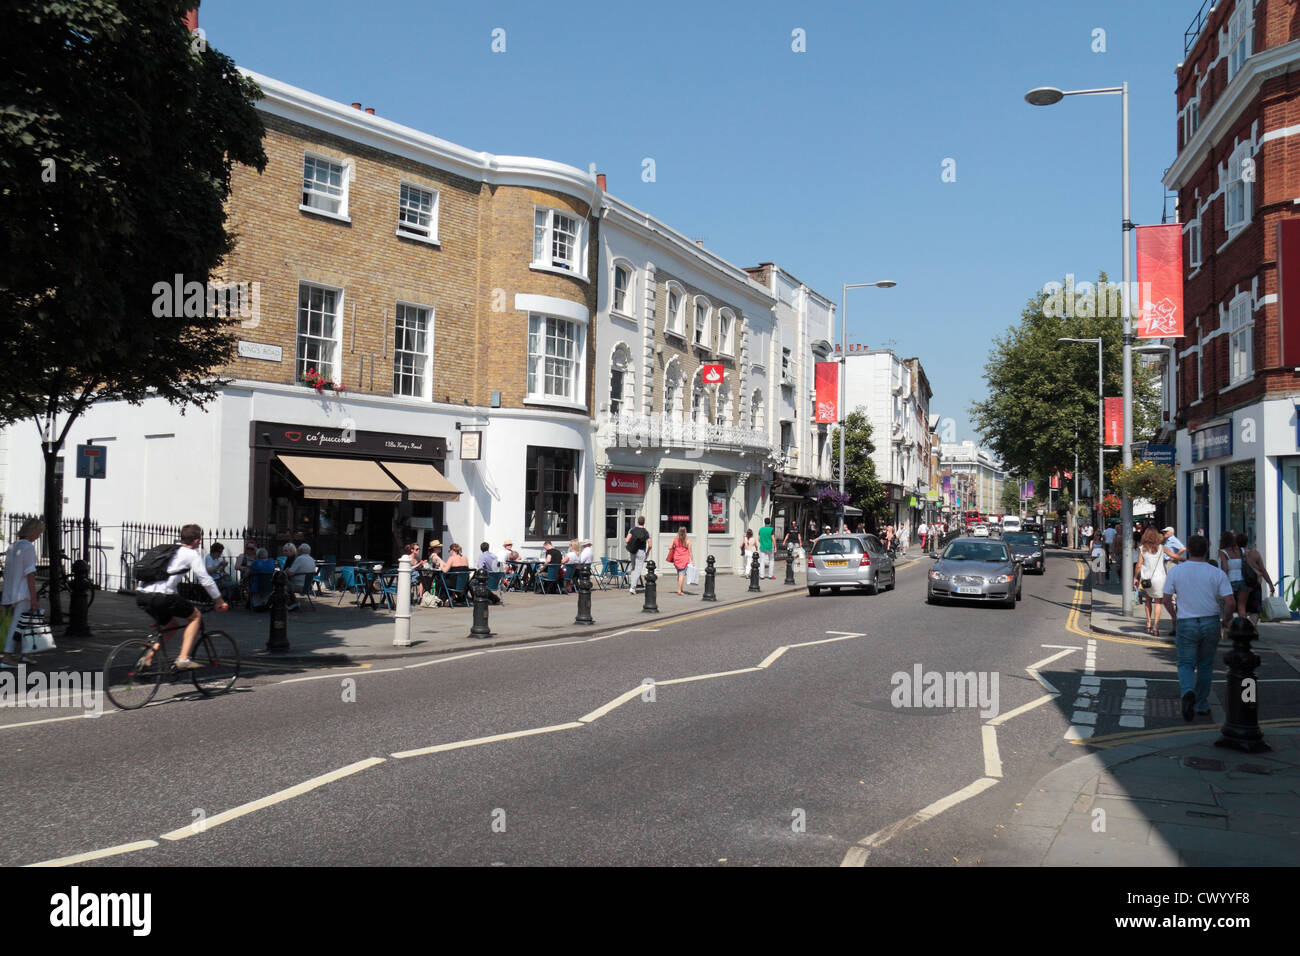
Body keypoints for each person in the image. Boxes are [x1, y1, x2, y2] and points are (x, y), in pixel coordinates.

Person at [1162, 535, 1236, 722]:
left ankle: (1187, 692)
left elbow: (1166, 598)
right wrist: (1225, 620)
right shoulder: (1216, 573)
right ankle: (1201, 704)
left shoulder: (1177, 571)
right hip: (1211, 621)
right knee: (1205, 665)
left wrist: (1174, 616)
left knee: (1186, 663)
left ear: (1188, 549)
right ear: (1206, 550)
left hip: (1186, 621)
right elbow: (1230, 602)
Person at [137, 524, 229, 670]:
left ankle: (147, 659)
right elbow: (205, 579)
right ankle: (183, 659)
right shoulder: (191, 554)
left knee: (171, 626)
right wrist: (219, 600)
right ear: (197, 541)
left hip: (142, 595)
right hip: (162, 596)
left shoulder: (169, 550)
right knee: (195, 617)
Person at [1, 517, 43, 668]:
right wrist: (34, 598)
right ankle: (7, 656)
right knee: (18, 625)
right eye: (38, 532)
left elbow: (7, 572)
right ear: (33, 531)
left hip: (11, 591)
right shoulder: (29, 548)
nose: (39, 535)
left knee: (24, 624)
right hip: (23, 593)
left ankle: (27, 654)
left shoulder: (13, 547)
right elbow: (30, 574)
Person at [1133, 527, 1168, 636]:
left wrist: (1135, 577)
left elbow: (1138, 565)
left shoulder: (1142, 548)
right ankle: (1155, 627)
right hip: (1160, 579)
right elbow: (1173, 556)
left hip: (1147, 579)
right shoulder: (1162, 548)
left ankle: (1148, 624)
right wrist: (1183, 558)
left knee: (1148, 600)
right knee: (1158, 602)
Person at [1235, 532, 1274, 624]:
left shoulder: (1235, 555)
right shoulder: (1255, 553)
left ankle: (1244, 627)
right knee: (1255, 609)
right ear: (1247, 542)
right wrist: (1270, 584)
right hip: (1255, 583)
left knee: (1241, 607)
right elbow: (1263, 570)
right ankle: (1253, 627)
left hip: (1241, 583)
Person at [286, 543, 318, 611]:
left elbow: (290, 573)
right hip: (308, 586)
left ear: (300, 550)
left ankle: (293, 603)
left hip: (298, 585)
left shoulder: (299, 559)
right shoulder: (312, 559)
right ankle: (293, 602)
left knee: (282, 584)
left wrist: (286, 570)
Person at [625, 516, 650, 595]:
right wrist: (647, 552)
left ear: (638, 522)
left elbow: (627, 540)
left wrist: (632, 545)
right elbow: (650, 545)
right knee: (638, 570)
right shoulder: (646, 532)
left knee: (633, 568)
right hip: (641, 552)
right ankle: (632, 587)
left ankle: (632, 586)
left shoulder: (632, 530)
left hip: (633, 551)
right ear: (644, 522)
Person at [666, 526, 692, 596]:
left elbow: (669, 547)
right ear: (685, 532)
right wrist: (693, 561)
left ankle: (680, 588)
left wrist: (675, 546)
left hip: (676, 559)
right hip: (684, 559)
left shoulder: (675, 539)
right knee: (682, 575)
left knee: (679, 574)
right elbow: (690, 552)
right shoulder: (688, 541)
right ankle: (679, 590)